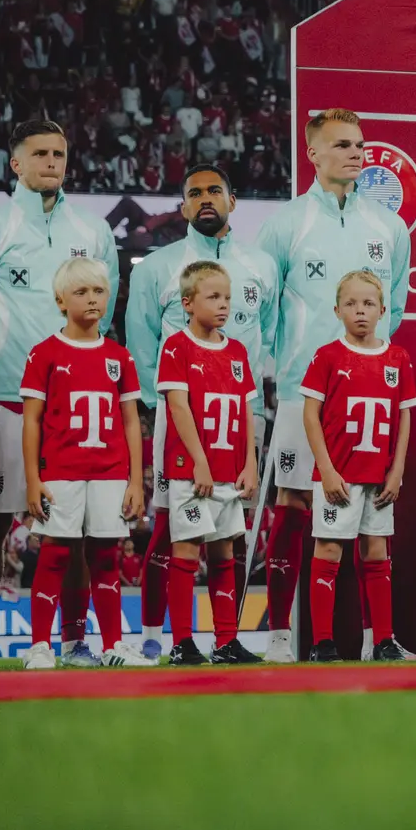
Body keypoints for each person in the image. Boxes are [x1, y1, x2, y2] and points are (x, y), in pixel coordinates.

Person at [256, 109, 411, 663]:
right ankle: (279, 639)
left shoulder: (389, 227)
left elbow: (400, 302)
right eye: (342, 145)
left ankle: (379, 642)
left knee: (374, 515)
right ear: (313, 154)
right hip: (306, 392)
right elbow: (263, 312)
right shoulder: (284, 224)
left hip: (372, 396)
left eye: (361, 144)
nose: (356, 152)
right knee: (293, 504)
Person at [125, 163, 278, 662]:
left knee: (224, 540)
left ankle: (224, 639)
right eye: (195, 193)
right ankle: (161, 636)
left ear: (233, 200)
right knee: (173, 533)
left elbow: (267, 338)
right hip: (181, 423)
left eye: (216, 190)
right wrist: (163, 409)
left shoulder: (262, 267)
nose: (206, 198)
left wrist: (252, 439)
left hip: (240, 418)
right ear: (184, 206)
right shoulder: (155, 269)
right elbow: (140, 345)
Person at [0, 120, 120, 668]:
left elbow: (101, 317)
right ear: (16, 164)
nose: (52, 161)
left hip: (70, 403)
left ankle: (73, 641)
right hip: (6, 395)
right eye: (39, 153)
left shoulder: (92, 230)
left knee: (81, 528)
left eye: (59, 153)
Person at [19, 258, 147, 669]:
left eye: (99, 291)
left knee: (106, 556)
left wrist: (135, 481)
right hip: (61, 472)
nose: (92, 299)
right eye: (81, 292)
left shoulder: (119, 356)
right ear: (61, 301)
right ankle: (40, 645)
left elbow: (130, 421)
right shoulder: (44, 353)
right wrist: (32, 479)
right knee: (55, 553)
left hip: (110, 474)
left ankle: (113, 646)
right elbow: (32, 421)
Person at [297, 271, 415, 662]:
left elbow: (403, 419)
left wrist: (397, 469)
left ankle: (383, 641)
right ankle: (323, 643)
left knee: (377, 552)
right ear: (337, 310)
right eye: (351, 303)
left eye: (368, 304)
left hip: (379, 477)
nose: (360, 311)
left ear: (383, 310)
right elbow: (311, 415)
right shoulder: (328, 355)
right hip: (339, 476)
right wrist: (327, 470)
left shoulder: (398, 357)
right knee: (329, 550)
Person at [154, 262, 263, 666]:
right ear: (188, 303)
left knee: (223, 555)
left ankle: (226, 641)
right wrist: (199, 460)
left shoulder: (236, 351)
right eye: (213, 297)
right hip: (191, 470)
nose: (223, 305)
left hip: (229, 473)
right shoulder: (176, 347)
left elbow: (247, 411)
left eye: (227, 298)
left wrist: (250, 462)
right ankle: (182, 642)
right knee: (185, 553)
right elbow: (178, 407)